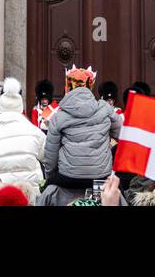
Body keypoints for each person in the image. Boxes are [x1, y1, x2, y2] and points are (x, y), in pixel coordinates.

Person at [37, 66, 121, 206]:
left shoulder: (59, 116)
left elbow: (50, 156)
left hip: (68, 177)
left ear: (68, 87)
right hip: (100, 176)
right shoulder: (105, 108)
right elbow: (123, 136)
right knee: (121, 196)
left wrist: (51, 178)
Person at [0, 77, 45, 187]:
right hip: (29, 192)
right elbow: (46, 157)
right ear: (20, 109)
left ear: (1, 109)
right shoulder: (34, 132)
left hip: (1, 191)